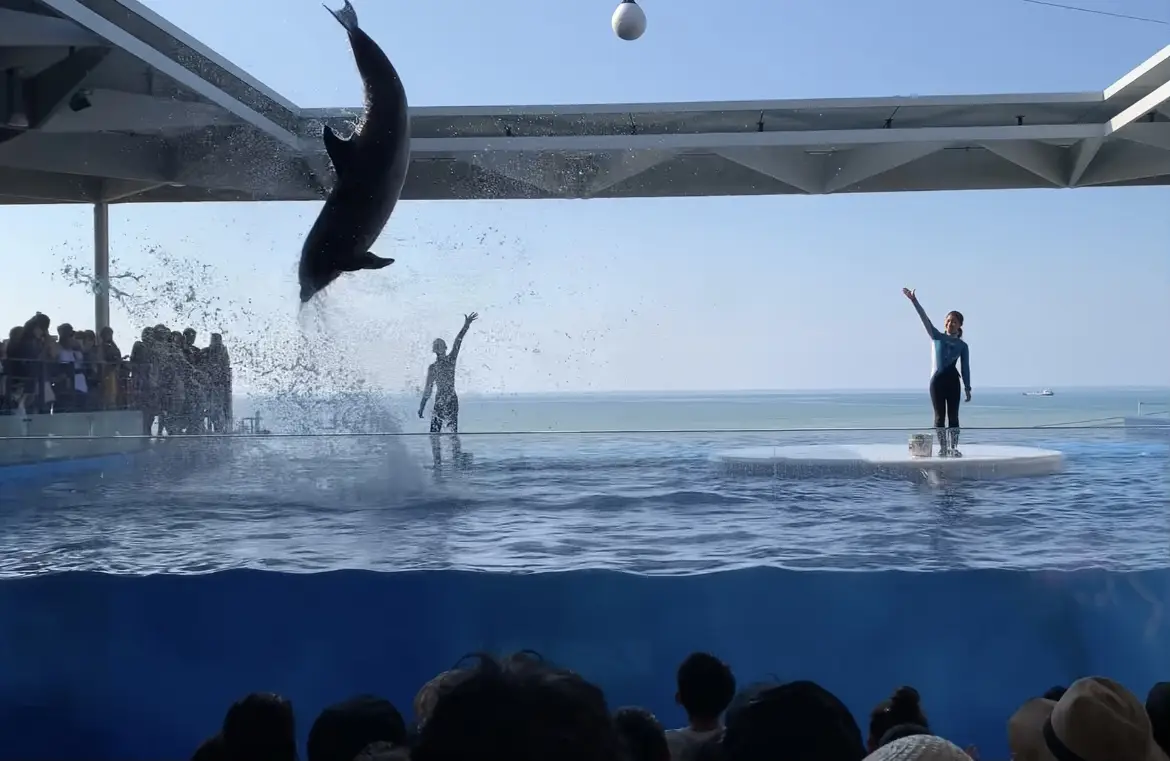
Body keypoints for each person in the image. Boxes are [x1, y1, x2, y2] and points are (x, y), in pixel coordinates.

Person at [903, 288, 971, 457]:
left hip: (953, 382)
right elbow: (924, 318)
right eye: (948, 321)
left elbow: (965, 368)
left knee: (953, 417)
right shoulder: (936, 337)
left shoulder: (963, 346)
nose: (950, 323)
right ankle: (943, 448)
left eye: (954, 321)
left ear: (960, 325)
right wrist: (914, 301)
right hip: (937, 382)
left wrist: (967, 388)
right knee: (939, 417)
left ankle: (953, 448)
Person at [418, 312, 478, 465]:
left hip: (450, 399)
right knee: (435, 433)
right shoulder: (433, 368)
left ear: (444, 348)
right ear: (436, 350)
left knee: (452, 431)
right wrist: (422, 406)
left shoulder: (451, 360)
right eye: (437, 347)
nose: (439, 349)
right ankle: (438, 461)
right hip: (441, 400)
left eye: (440, 346)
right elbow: (428, 389)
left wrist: (466, 325)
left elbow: (458, 341)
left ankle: (455, 457)